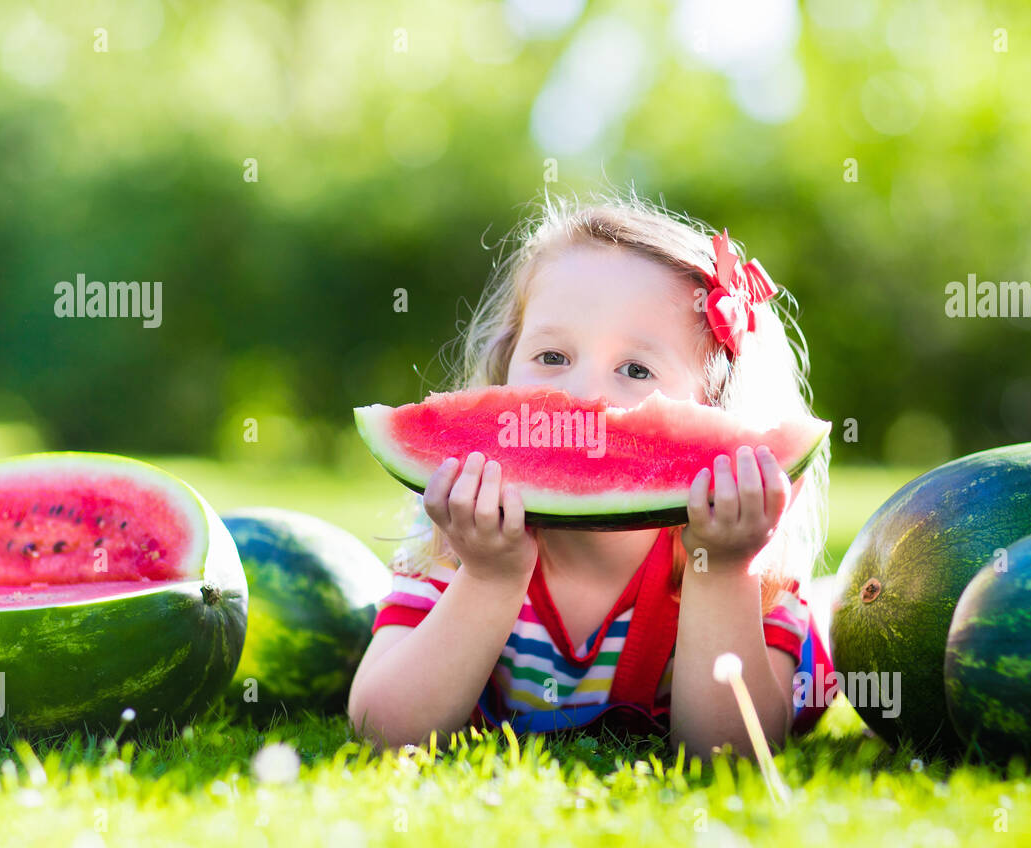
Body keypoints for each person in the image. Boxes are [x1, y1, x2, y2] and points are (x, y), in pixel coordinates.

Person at [347, 186, 834, 760]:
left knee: (838, 617)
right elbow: (382, 733)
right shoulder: (454, 546)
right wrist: (489, 580)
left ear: (713, 409)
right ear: (504, 370)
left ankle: (833, 606)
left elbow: (728, 754)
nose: (583, 396)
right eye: (552, 358)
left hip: (757, 606)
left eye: (635, 368)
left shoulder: (746, 564)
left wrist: (723, 571)